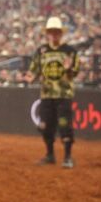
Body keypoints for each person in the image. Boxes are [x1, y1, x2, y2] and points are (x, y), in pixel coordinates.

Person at [27, 16, 79, 168]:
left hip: (63, 95)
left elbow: (74, 73)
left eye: (57, 31)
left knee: (64, 126)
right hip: (47, 95)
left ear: (61, 33)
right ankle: (50, 154)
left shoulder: (70, 51)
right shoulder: (41, 51)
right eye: (51, 31)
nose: (54, 34)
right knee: (45, 126)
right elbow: (33, 70)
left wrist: (69, 68)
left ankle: (67, 157)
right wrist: (31, 77)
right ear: (48, 33)